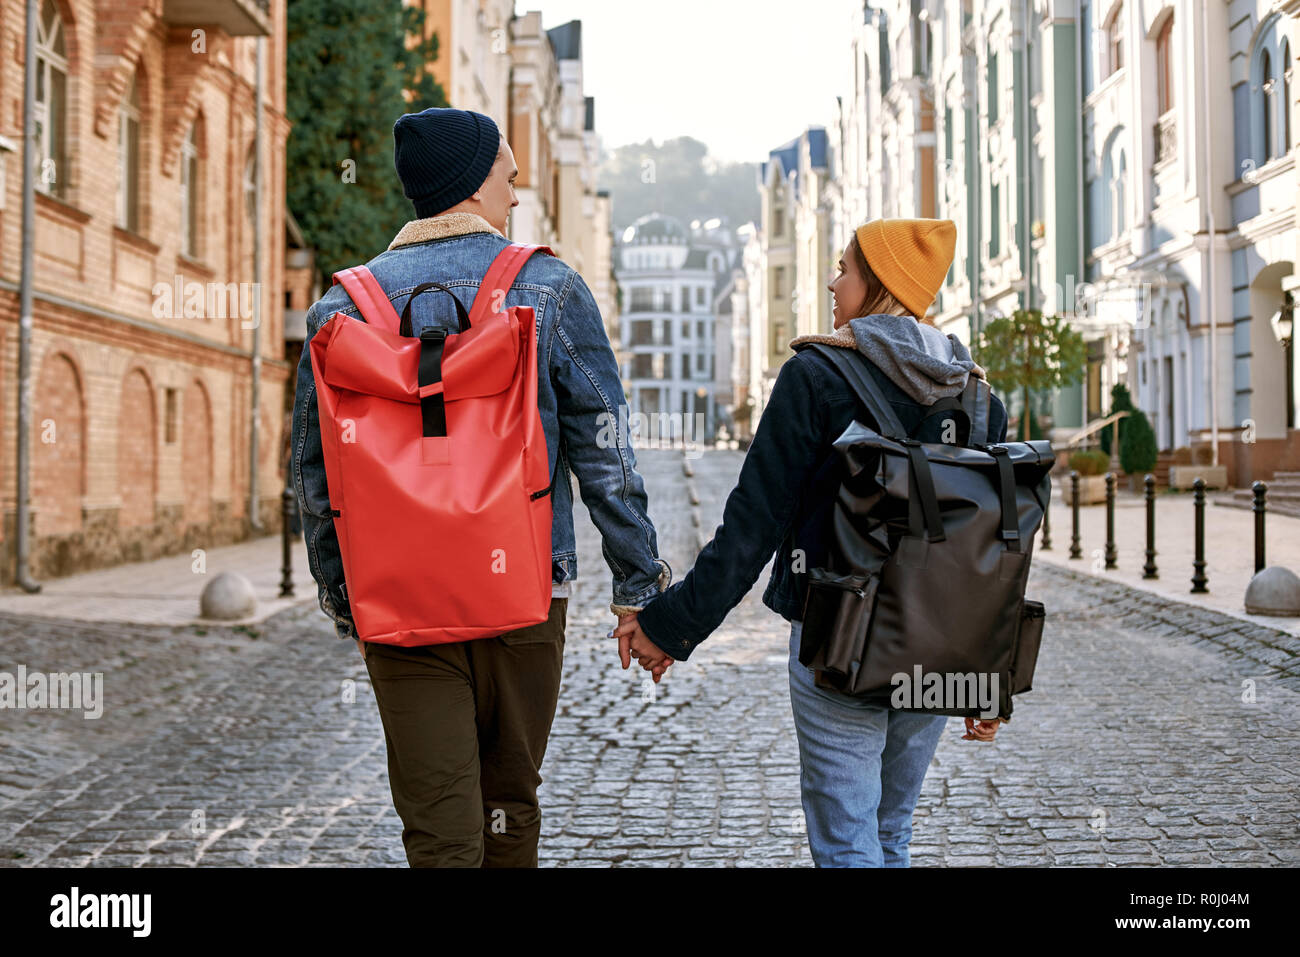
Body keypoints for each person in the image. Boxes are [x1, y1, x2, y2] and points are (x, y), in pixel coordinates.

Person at [291, 107, 670, 867]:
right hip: (522, 593)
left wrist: (342, 595)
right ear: (470, 182)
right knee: (510, 802)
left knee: (438, 827)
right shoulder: (548, 287)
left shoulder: (341, 309)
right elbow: (605, 448)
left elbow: (313, 469)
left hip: (399, 600)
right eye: (507, 173)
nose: (517, 192)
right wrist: (638, 584)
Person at [614, 218, 1009, 867]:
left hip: (840, 638)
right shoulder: (975, 390)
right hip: (942, 646)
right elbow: (990, 547)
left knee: (849, 840)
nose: (832, 280)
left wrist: (667, 626)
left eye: (845, 269)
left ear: (879, 284)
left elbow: (752, 526)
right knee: (890, 835)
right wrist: (983, 677)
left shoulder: (816, 375)